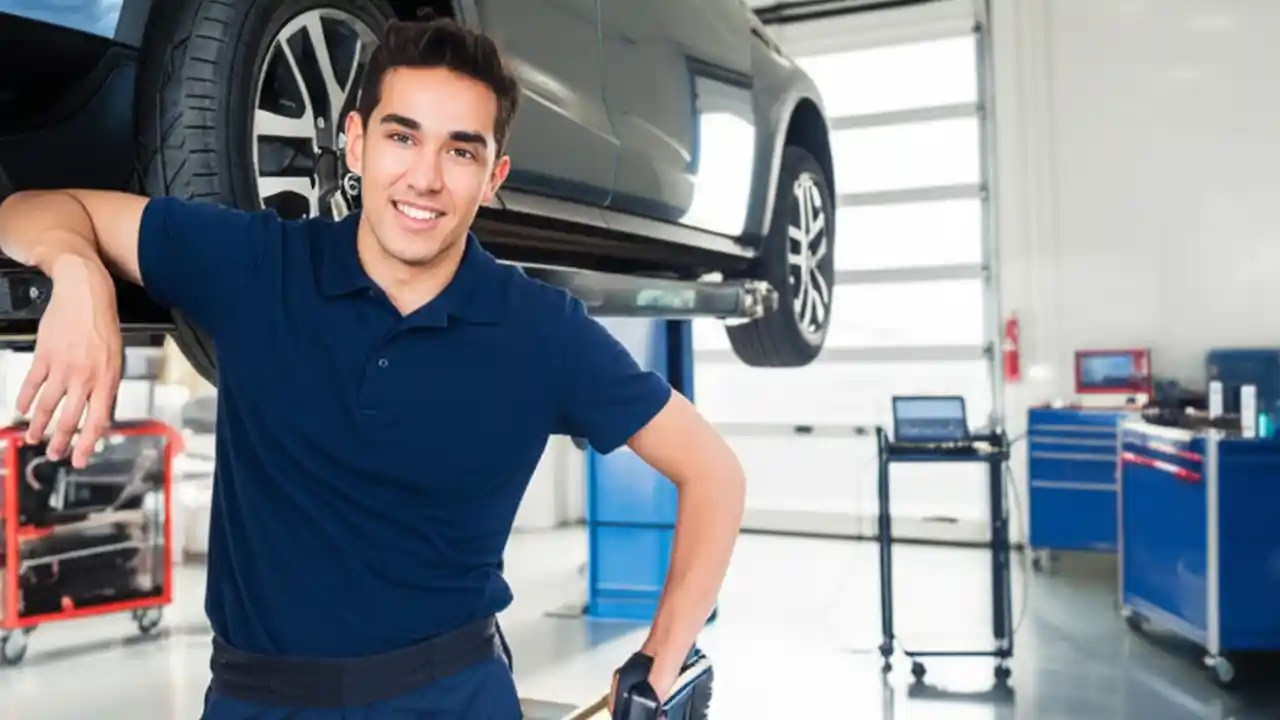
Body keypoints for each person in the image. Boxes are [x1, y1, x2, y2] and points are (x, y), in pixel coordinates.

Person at [0, 18, 745, 719]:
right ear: (354, 143)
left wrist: (661, 655)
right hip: (255, 699)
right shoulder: (259, 266)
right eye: (402, 136)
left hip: (452, 696)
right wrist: (78, 275)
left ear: (493, 176)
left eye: (461, 150)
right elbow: (31, 207)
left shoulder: (541, 331)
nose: (425, 177)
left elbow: (712, 472)